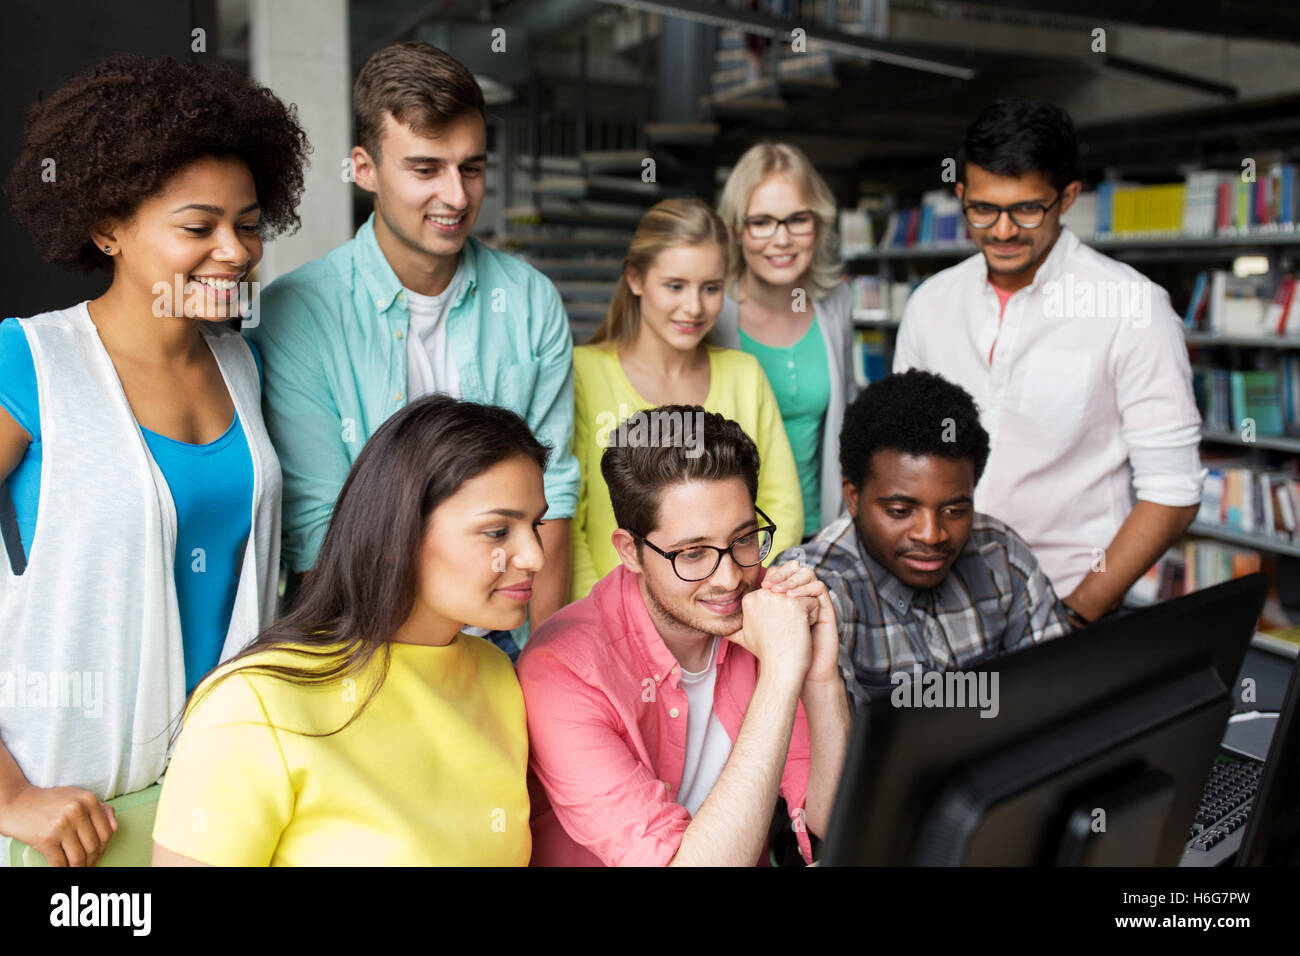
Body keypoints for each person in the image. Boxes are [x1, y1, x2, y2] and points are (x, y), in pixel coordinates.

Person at [0, 54, 307, 866]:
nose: (235, 251)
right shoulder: (30, 363)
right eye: (198, 226)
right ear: (108, 227)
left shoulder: (240, 366)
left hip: (217, 800)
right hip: (74, 819)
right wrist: (8, 795)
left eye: (247, 224)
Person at [249, 41, 579, 654]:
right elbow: (322, 530)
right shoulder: (298, 314)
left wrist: (541, 662)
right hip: (361, 643)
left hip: (504, 643)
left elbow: (551, 499)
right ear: (364, 168)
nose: (455, 196)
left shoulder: (530, 301)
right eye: (425, 169)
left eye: (471, 168)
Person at [152, 395, 543, 866]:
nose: (535, 556)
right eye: (498, 532)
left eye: (535, 525)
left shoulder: (497, 674)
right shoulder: (255, 701)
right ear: (399, 534)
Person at [893, 99, 1205, 630]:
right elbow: (900, 451)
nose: (1003, 230)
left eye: (1027, 209)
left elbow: (1173, 493)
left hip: (1070, 600)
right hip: (935, 599)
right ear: (961, 195)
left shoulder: (1134, 307)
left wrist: (1076, 615)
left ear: (1068, 198)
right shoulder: (931, 303)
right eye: (984, 209)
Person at [520, 406, 850, 866]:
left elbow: (834, 822)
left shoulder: (766, 614)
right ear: (629, 551)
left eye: (744, 538)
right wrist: (779, 675)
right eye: (693, 553)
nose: (730, 577)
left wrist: (820, 679)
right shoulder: (562, 671)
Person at [779, 370, 1071, 710]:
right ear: (854, 497)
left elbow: (1056, 697)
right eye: (901, 510)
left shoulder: (1001, 554)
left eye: (955, 510)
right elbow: (828, 754)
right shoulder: (815, 590)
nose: (932, 535)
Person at [569, 198, 802, 602]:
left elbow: (781, 505)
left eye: (710, 288)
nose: (694, 307)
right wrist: (604, 618)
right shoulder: (583, 373)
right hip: (612, 619)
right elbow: (569, 520)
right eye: (675, 286)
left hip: (727, 607)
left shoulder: (744, 374)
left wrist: (732, 593)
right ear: (636, 279)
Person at [712, 142, 857, 538]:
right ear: (737, 230)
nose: (782, 239)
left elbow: (847, 415)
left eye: (797, 219)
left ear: (818, 223)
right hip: (733, 542)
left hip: (825, 531)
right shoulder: (710, 312)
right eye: (762, 222)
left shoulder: (835, 304)